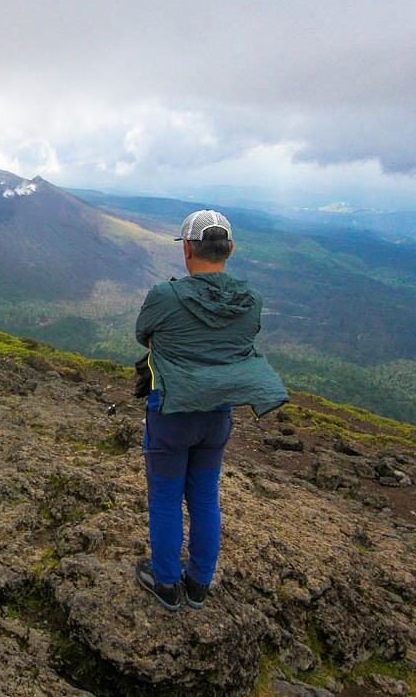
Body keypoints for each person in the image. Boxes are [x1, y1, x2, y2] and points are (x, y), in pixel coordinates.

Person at [133, 209, 287, 611]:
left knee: (166, 498)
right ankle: (199, 583)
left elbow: (142, 334)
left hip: (171, 413)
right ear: (230, 249)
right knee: (204, 497)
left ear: (187, 247)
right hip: (217, 415)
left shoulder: (165, 297)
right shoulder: (250, 301)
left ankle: (166, 583)